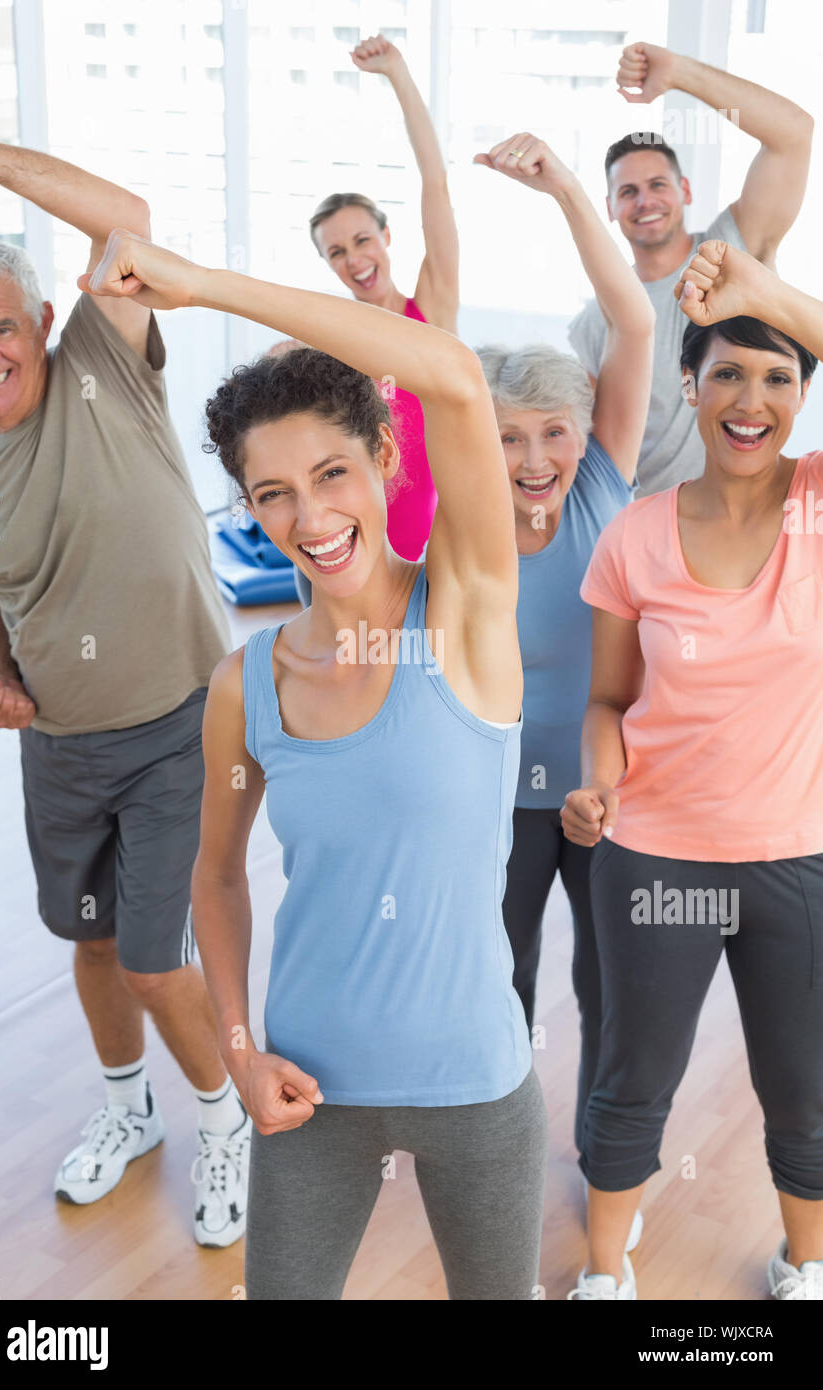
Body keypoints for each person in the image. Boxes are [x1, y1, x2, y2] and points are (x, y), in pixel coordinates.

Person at [82, 223, 548, 1301]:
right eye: (272, 492)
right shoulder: (245, 684)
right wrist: (238, 1049)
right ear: (247, 510)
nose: (309, 514)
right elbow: (214, 876)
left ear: (385, 459)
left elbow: (454, 376)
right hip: (304, 1091)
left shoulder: (464, 616)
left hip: (475, 1087)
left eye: (332, 470)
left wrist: (203, 287)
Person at [0, 132, 250, 1248]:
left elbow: (122, 210)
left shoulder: (97, 362)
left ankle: (224, 1120)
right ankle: (130, 1107)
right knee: (88, 943)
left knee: (149, 954)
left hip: (180, 719)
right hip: (61, 745)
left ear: (37, 324)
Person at [562, 238, 823, 1301]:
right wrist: (594, 782)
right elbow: (606, 702)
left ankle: (805, 1265)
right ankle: (602, 1272)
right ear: (689, 385)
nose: (748, 399)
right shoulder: (632, 535)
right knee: (633, 1082)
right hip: (653, 853)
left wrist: (762, 295)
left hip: (795, 857)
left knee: (800, 1089)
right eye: (725, 371)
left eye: (777, 375)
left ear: (802, 393)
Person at [473, 132, 653, 1255]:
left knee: (608, 976)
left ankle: (605, 1151)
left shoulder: (601, 480)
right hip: (493, 792)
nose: (533, 457)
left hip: (604, 787)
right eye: (505, 438)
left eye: (552, 431)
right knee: (499, 975)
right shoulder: (459, 511)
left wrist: (561, 194)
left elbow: (632, 322)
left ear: (585, 433)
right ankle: (490, 1137)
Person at [568, 39, 813, 496]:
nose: (644, 201)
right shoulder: (597, 322)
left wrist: (679, 73)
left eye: (658, 184)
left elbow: (794, 134)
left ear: (685, 190)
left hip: (750, 516)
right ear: (610, 207)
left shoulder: (733, 253)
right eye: (628, 192)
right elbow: (595, 450)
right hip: (653, 533)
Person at [288, 32, 459, 606]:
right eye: (336, 252)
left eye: (363, 240)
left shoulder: (430, 312)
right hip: (345, 557)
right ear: (327, 264)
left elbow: (435, 183)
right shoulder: (328, 339)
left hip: (425, 558)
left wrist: (399, 77)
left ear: (386, 237)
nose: (355, 260)